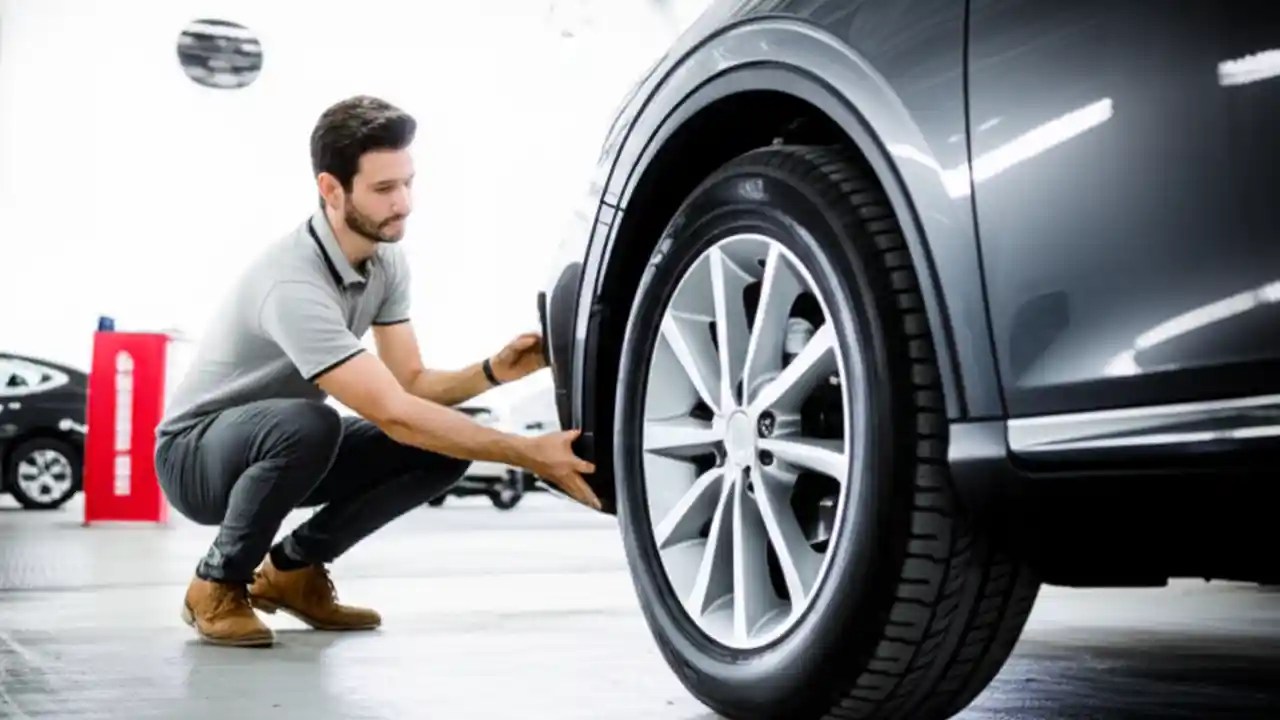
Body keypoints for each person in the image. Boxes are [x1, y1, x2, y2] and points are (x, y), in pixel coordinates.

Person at [153, 94, 601, 648]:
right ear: (331, 190)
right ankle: (215, 584)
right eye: (385, 189)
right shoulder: (291, 283)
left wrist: (493, 372)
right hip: (194, 455)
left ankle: (294, 570)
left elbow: (409, 384)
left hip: (279, 448)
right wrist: (529, 453)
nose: (405, 203)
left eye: (408, 183)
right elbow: (392, 411)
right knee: (311, 424)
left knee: (439, 446)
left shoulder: (386, 259)